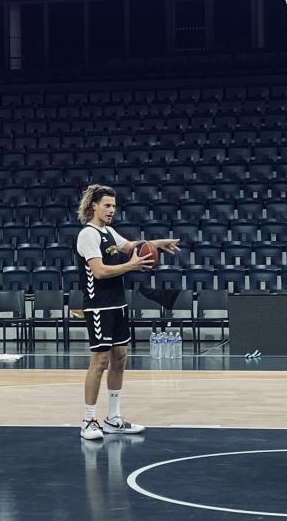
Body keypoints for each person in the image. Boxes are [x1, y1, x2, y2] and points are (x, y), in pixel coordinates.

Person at [75, 184, 179, 441]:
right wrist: (131, 265)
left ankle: (113, 418)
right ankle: (88, 420)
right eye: (107, 205)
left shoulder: (108, 231)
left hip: (118, 304)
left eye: (113, 205)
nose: (112, 210)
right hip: (98, 305)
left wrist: (157, 243)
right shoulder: (88, 235)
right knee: (99, 363)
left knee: (120, 358)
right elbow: (99, 272)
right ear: (93, 206)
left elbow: (130, 245)